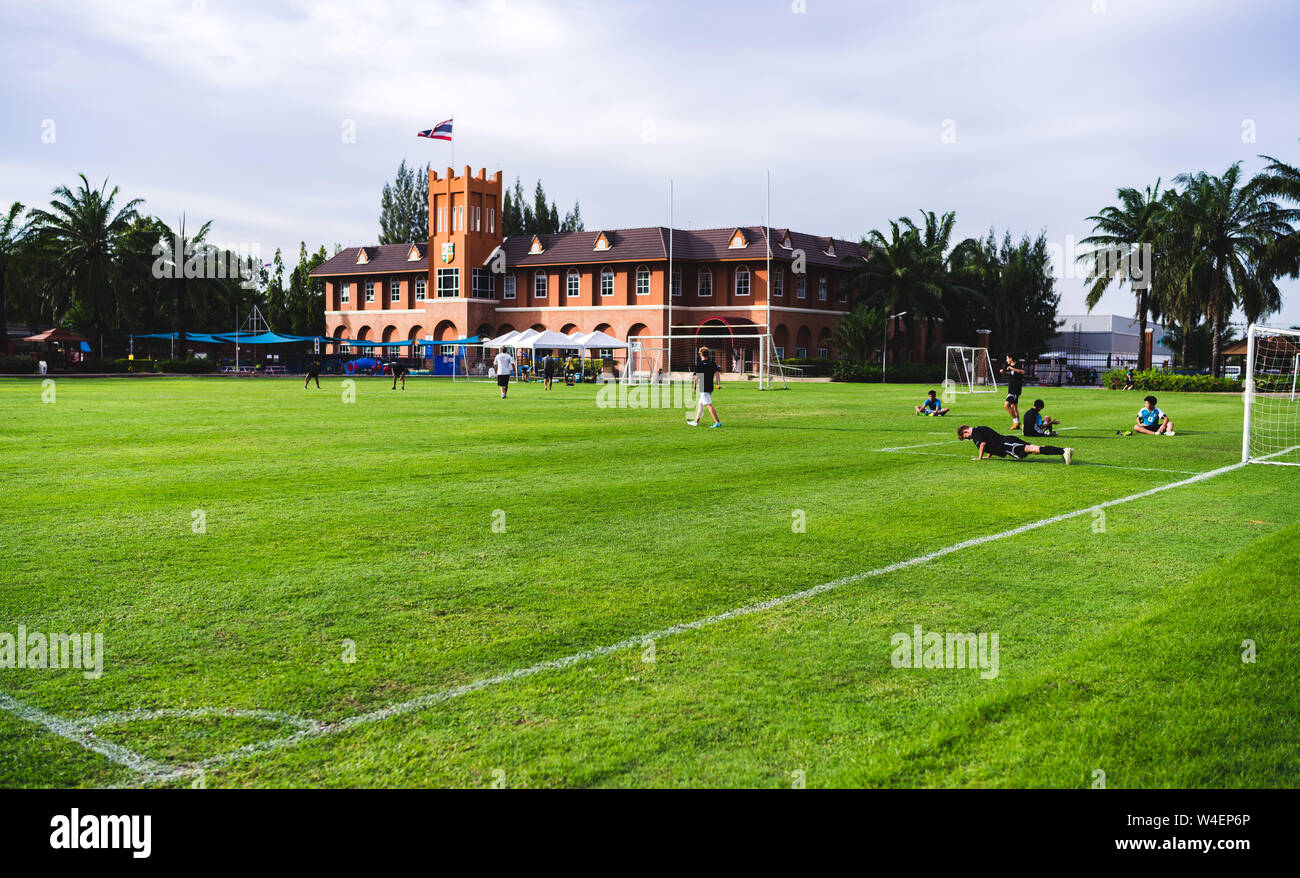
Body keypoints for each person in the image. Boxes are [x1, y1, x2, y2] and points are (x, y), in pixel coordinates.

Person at [958, 424, 1073, 464]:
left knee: (1034, 449)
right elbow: (990, 441)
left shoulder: (976, 432)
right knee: (1034, 449)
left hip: (1007, 445)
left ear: (965, 431)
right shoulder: (980, 428)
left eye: (965, 437)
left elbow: (983, 444)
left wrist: (980, 458)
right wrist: (989, 455)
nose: (967, 439)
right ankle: (1063, 451)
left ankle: (1063, 451)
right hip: (1008, 440)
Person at [687, 346, 722, 428]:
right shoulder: (712, 363)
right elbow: (717, 373)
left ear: (701, 354)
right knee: (701, 404)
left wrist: (694, 388)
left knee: (708, 405)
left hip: (703, 387)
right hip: (710, 387)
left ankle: (717, 422)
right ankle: (695, 421)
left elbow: (696, 377)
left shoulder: (699, 365)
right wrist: (718, 384)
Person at [1000, 354, 1025, 430]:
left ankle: (1016, 422)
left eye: (1007, 358)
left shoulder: (1018, 365)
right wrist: (1004, 372)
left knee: (1006, 405)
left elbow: (1022, 371)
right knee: (1014, 407)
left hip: (1015, 390)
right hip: (1012, 389)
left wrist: (1012, 368)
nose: (1006, 360)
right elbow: (1011, 374)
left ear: (1011, 358)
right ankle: (1017, 425)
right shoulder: (1009, 366)